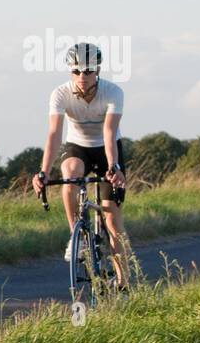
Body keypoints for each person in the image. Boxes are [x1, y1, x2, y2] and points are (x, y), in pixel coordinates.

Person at [30, 42, 129, 286]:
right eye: (76, 71)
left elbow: (109, 132)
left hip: (107, 148)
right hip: (77, 146)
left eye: (87, 71)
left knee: (113, 221)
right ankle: (77, 234)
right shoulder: (60, 94)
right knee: (71, 173)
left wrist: (113, 167)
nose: (82, 77)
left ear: (98, 70)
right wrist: (43, 171)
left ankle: (123, 281)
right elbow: (54, 134)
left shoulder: (113, 92)